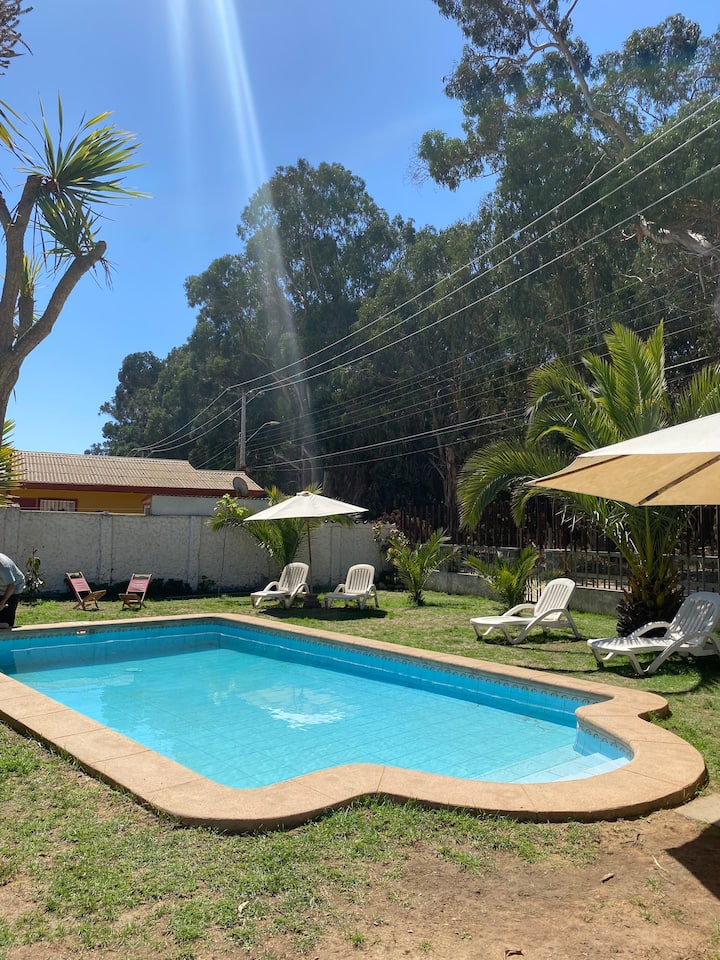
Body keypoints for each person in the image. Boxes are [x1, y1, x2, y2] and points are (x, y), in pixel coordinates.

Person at [0, 552, 25, 629]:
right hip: (2, 584)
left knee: (5, 623)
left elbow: (11, 586)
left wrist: (2, 602)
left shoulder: (3, 566)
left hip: (14, 587)